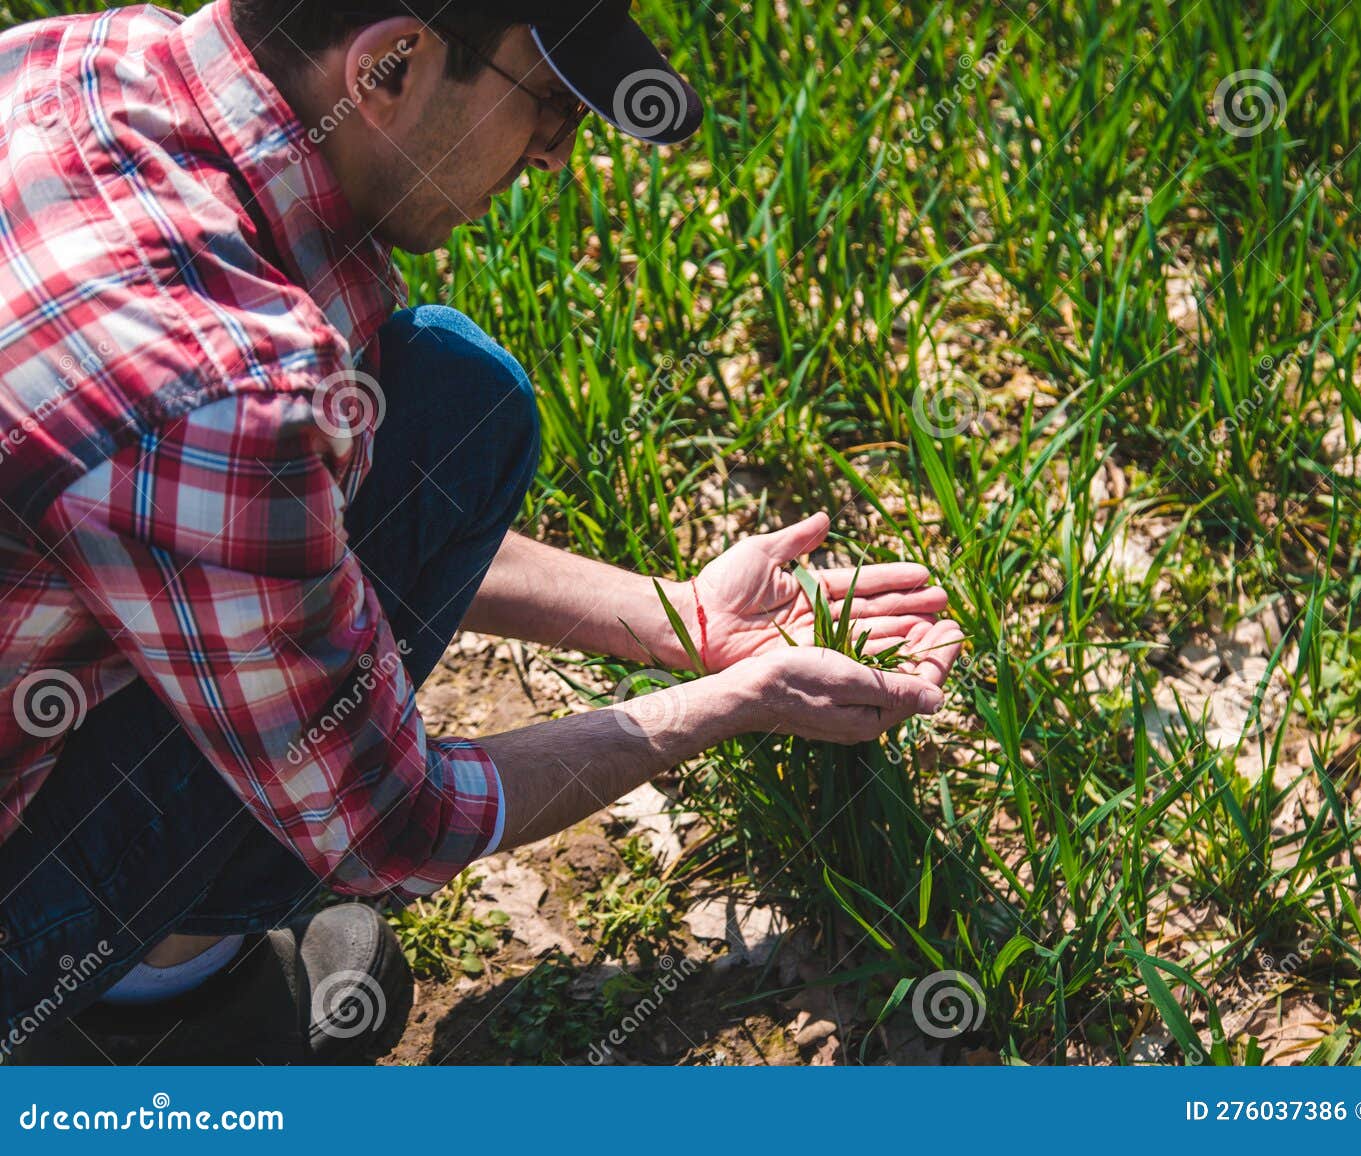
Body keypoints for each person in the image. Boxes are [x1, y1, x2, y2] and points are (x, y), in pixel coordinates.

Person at [0, 0, 962, 1063]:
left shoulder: (78, 57)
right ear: (390, 66)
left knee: (450, 400)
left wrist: (677, 618)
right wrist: (730, 701)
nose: (554, 153)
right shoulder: (227, 393)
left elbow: (271, 527)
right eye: (546, 101)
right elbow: (395, 830)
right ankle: (144, 1002)